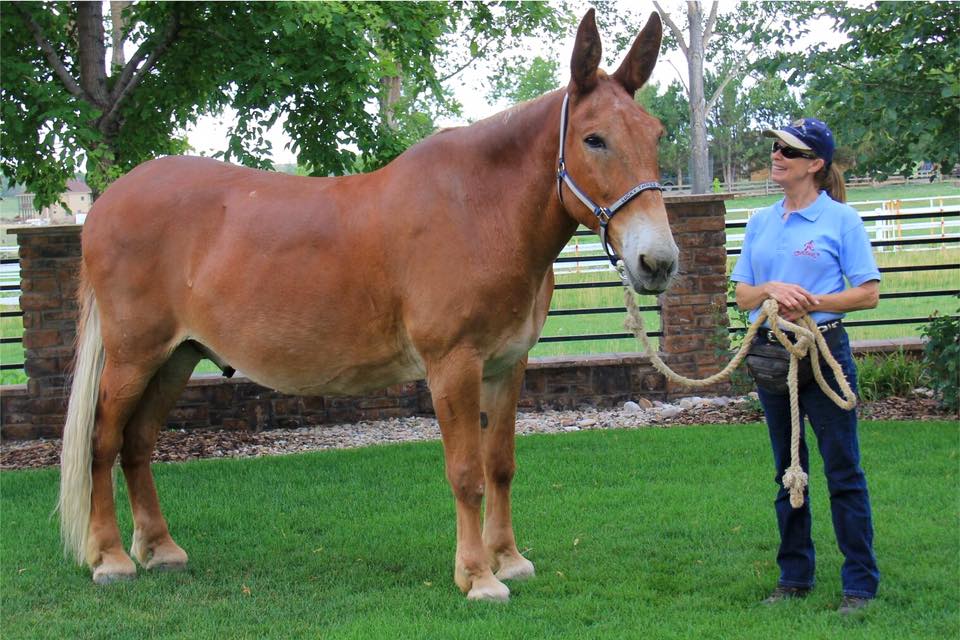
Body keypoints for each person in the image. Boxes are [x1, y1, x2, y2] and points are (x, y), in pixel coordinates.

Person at [730, 118, 881, 615]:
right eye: (775, 148)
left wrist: (812, 302)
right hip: (774, 359)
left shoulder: (842, 221)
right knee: (787, 473)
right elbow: (742, 295)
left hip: (823, 352)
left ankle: (859, 584)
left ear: (815, 164)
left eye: (789, 152)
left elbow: (867, 294)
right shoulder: (760, 221)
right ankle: (794, 577)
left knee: (844, 472)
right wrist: (772, 290)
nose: (777, 155)